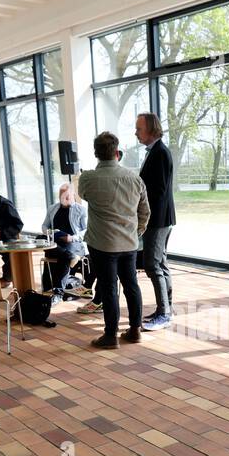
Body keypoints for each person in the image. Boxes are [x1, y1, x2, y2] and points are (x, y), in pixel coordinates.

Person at [78, 131, 149, 349]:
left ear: (96, 153)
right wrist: (136, 232)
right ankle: (135, 330)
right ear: (117, 153)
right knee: (131, 285)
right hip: (128, 243)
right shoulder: (134, 179)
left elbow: (84, 195)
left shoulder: (88, 178)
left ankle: (110, 336)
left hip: (102, 244)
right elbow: (144, 211)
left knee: (109, 288)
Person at [136, 112, 176, 331]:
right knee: (160, 263)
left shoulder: (160, 153)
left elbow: (158, 191)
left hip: (157, 219)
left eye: (139, 129)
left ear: (151, 129)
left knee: (152, 264)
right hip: (160, 218)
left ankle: (164, 313)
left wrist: (142, 210)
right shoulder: (156, 152)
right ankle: (165, 308)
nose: (136, 133)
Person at [41, 182, 90, 295]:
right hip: (56, 242)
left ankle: (58, 291)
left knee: (61, 251)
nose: (65, 198)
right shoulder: (52, 208)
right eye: (63, 196)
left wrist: (72, 238)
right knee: (42, 239)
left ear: (73, 195)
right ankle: (70, 257)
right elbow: (44, 226)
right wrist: (50, 232)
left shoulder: (81, 210)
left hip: (73, 243)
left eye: (68, 196)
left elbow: (86, 230)